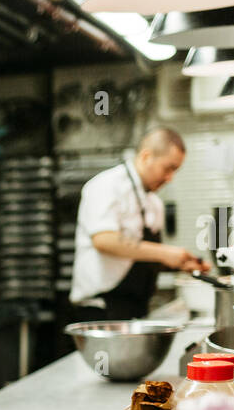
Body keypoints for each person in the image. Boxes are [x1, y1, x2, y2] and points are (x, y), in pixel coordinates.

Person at [69, 127, 209, 322]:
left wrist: (181, 263)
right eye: (168, 168)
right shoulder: (105, 186)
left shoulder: (154, 204)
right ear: (146, 156)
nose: (170, 178)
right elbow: (104, 241)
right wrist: (166, 253)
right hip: (102, 310)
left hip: (136, 308)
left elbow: (141, 258)